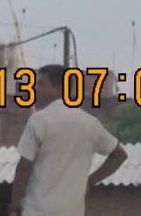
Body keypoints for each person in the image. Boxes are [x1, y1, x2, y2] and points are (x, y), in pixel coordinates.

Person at [10, 64, 128, 216]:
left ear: (57, 88)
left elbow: (24, 167)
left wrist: (14, 207)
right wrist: (89, 181)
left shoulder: (39, 120)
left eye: (41, 83)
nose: (35, 88)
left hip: (38, 210)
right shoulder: (90, 123)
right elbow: (119, 155)